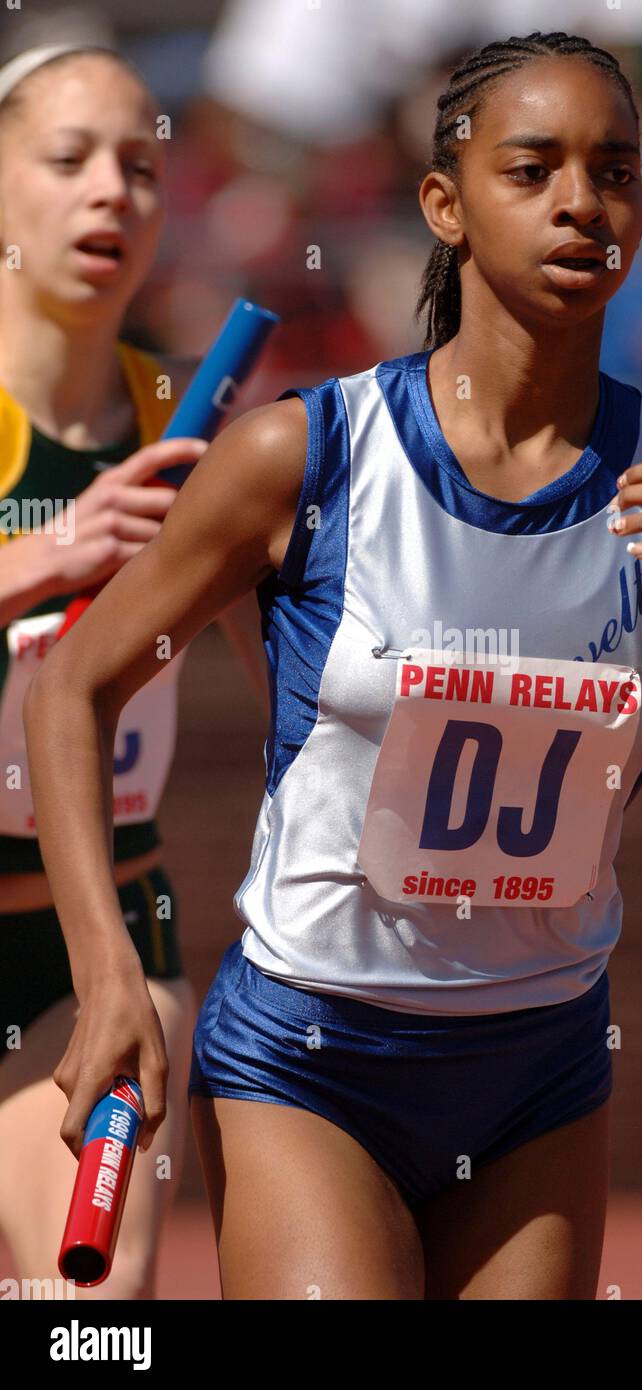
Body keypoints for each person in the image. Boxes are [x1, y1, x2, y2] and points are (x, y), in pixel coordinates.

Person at [23, 30, 642, 1301]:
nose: (579, 202)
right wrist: (108, 973)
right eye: (531, 169)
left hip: (540, 1071)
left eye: (613, 171)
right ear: (444, 205)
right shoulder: (307, 456)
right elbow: (74, 685)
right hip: (310, 1056)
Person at [0, 42, 266, 1298]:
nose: (112, 188)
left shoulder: (188, 418)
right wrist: (47, 553)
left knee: (93, 1312)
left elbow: (296, 667)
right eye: (69, 159)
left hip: (100, 937)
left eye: (142, 167)